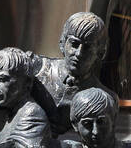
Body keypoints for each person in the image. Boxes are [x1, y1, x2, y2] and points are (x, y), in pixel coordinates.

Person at [32, 12, 115, 140]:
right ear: (62, 43)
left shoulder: (106, 99)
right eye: (74, 44)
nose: (79, 53)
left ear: (100, 53)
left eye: (87, 47)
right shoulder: (37, 69)